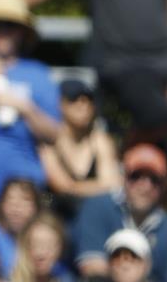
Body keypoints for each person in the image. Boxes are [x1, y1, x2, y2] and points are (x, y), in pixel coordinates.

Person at [22, 0, 167, 145]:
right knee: (157, 119)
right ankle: (120, 154)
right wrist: (4, 5)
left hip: (164, 63)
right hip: (115, 62)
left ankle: (123, 154)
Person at [72, 144, 167, 282]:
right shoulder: (98, 207)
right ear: (123, 177)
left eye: (154, 179)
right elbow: (92, 269)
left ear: (163, 186)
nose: (145, 185)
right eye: (136, 176)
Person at [0, 0, 61, 207]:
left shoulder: (38, 74)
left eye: (10, 26)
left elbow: (55, 133)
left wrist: (25, 107)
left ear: (22, 31)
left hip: (23, 193)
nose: (2, 32)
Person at [41, 75, 119, 214]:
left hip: (93, 215)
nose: (84, 105)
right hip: (56, 216)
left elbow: (113, 184)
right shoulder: (48, 140)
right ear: (60, 104)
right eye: (74, 99)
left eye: (88, 100)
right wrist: (100, 186)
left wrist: (75, 187)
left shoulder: (101, 141)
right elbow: (62, 187)